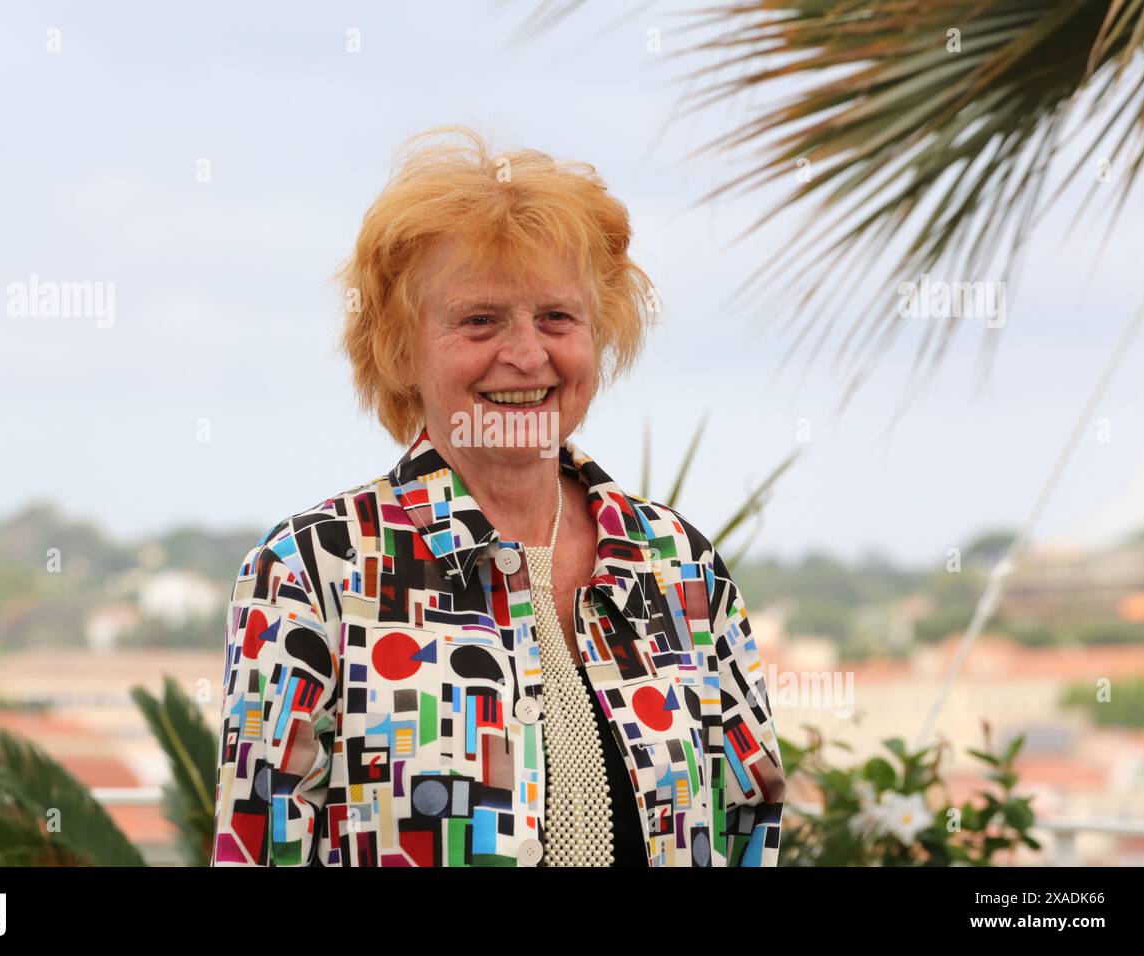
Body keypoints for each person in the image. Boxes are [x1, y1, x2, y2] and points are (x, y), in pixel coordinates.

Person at [211, 125, 784, 867]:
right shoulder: (314, 571)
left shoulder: (678, 566)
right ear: (399, 348)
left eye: (557, 317)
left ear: (600, 334)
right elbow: (260, 850)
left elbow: (750, 827)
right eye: (479, 320)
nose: (525, 354)